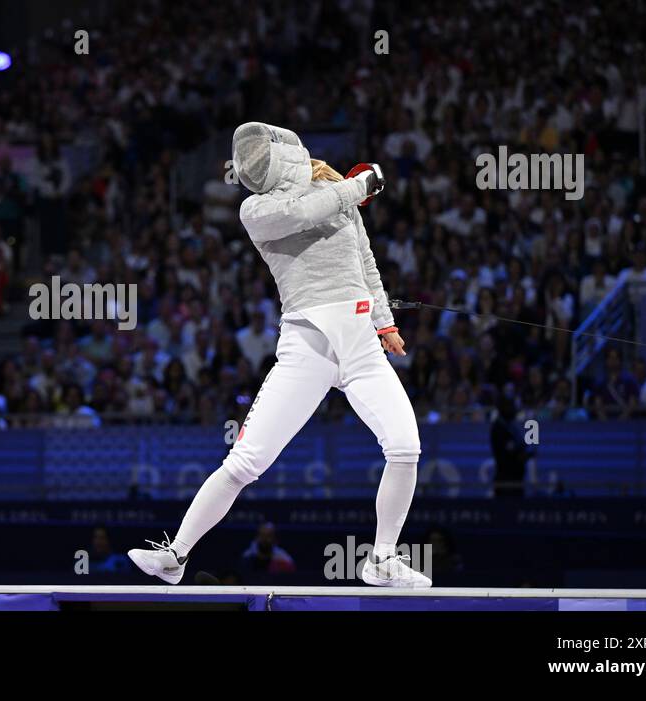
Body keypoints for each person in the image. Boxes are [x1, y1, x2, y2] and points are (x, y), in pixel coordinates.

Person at [129, 122, 430, 588]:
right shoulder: (258, 209)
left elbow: (365, 262)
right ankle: (175, 556)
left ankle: (383, 560)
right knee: (245, 463)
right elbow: (303, 214)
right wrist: (358, 185)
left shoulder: (337, 191)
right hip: (307, 347)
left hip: (361, 345)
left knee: (406, 447)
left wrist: (385, 322)